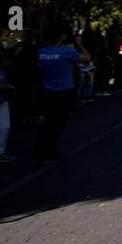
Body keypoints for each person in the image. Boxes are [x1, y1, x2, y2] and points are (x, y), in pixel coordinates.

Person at [35, 27, 90, 162]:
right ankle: (49, 151)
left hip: (47, 91)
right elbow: (87, 59)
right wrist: (80, 44)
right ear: (60, 37)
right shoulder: (66, 52)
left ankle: (42, 150)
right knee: (58, 123)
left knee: (49, 122)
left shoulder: (40, 52)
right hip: (64, 91)